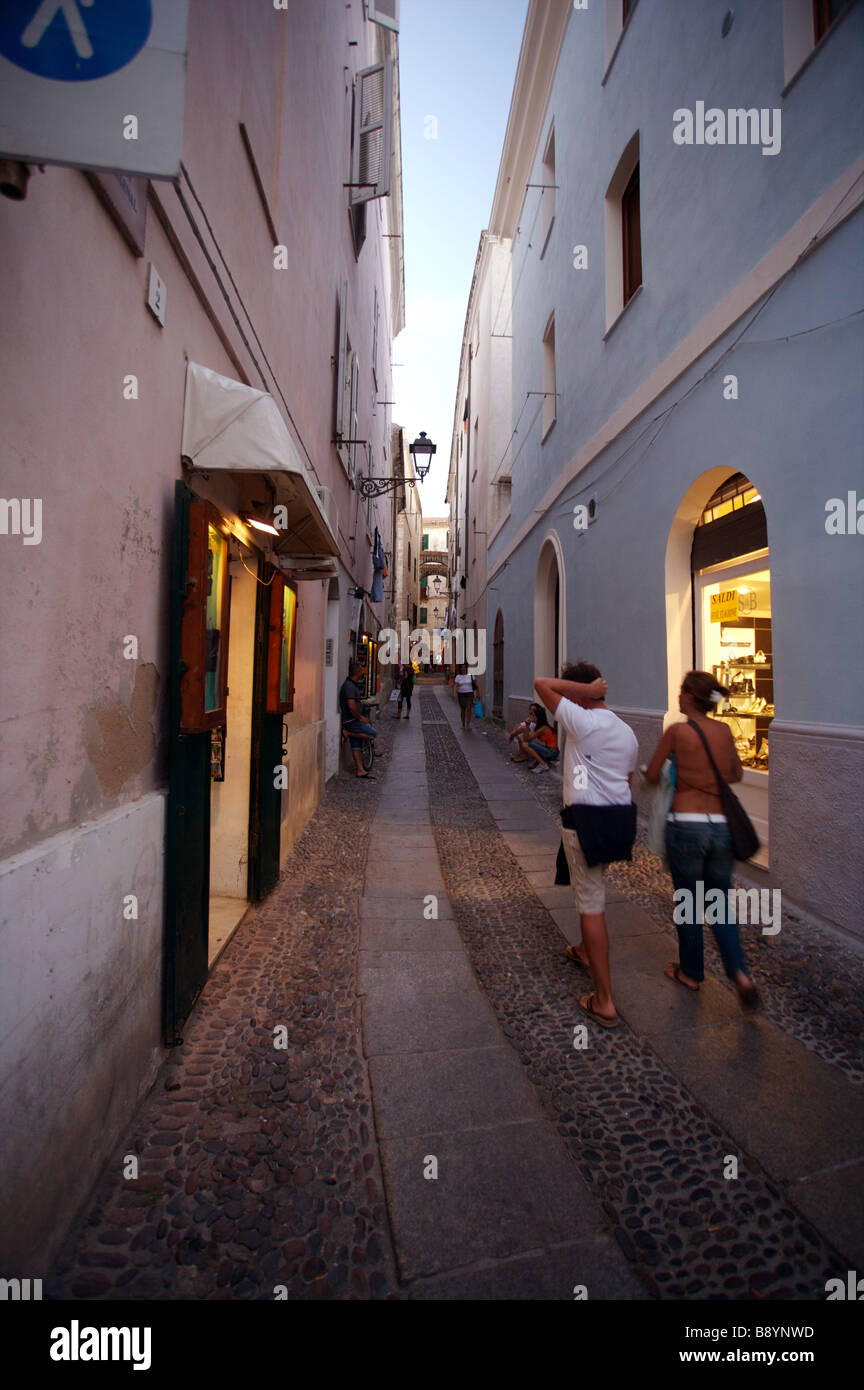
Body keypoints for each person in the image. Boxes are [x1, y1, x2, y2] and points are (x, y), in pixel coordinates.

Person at [644, 670, 759, 1011]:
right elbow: (736, 774)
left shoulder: (677, 731)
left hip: (686, 824)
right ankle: (741, 975)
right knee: (720, 904)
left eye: (681, 692)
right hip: (721, 826)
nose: (678, 697)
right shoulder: (724, 731)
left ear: (691, 697)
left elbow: (651, 774)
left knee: (689, 902)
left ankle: (691, 972)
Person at [535, 662, 638, 1029]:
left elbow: (541, 684)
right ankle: (582, 949)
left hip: (585, 824)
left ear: (580, 694)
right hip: (617, 823)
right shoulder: (627, 732)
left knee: (591, 905)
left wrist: (583, 693)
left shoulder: (583, 722)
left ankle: (604, 1000)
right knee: (594, 886)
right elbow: (626, 777)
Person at [340, 659, 378, 780]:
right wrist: (360, 718)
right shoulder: (349, 686)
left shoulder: (351, 685)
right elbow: (351, 706)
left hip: (352, 720)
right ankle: (348, 733)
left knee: (356, 746)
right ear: (357, 672)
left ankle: (360, 770)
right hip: (351, 721)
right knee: (372, 733)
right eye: (361, 671)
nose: (363, 673)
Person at [520, 708, 559, 774]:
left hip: (552, 752)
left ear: (539, 717)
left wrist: (527, 725)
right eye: (531, 715)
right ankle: (539, 762)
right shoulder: (539, 726)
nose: (531, 717)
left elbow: (526, 739)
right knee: (528, 743)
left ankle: (543, 765)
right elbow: (527, 737)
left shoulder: (543, 728)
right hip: (549, 749)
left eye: (534, 716)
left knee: (525, 744)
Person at [453, 663, 477, 731]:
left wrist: (477, 694)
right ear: (460, 668)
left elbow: (476, 684)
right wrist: (454, 693)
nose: (463, 669)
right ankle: (463, 724)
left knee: (469, 708)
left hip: (470, 694)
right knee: (463, 710)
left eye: (464, 667)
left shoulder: (471, 675)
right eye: (462, 667)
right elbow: (456, 685)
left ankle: (468, 724)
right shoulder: (458, 677)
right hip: (461, 694)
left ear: (466, 668)